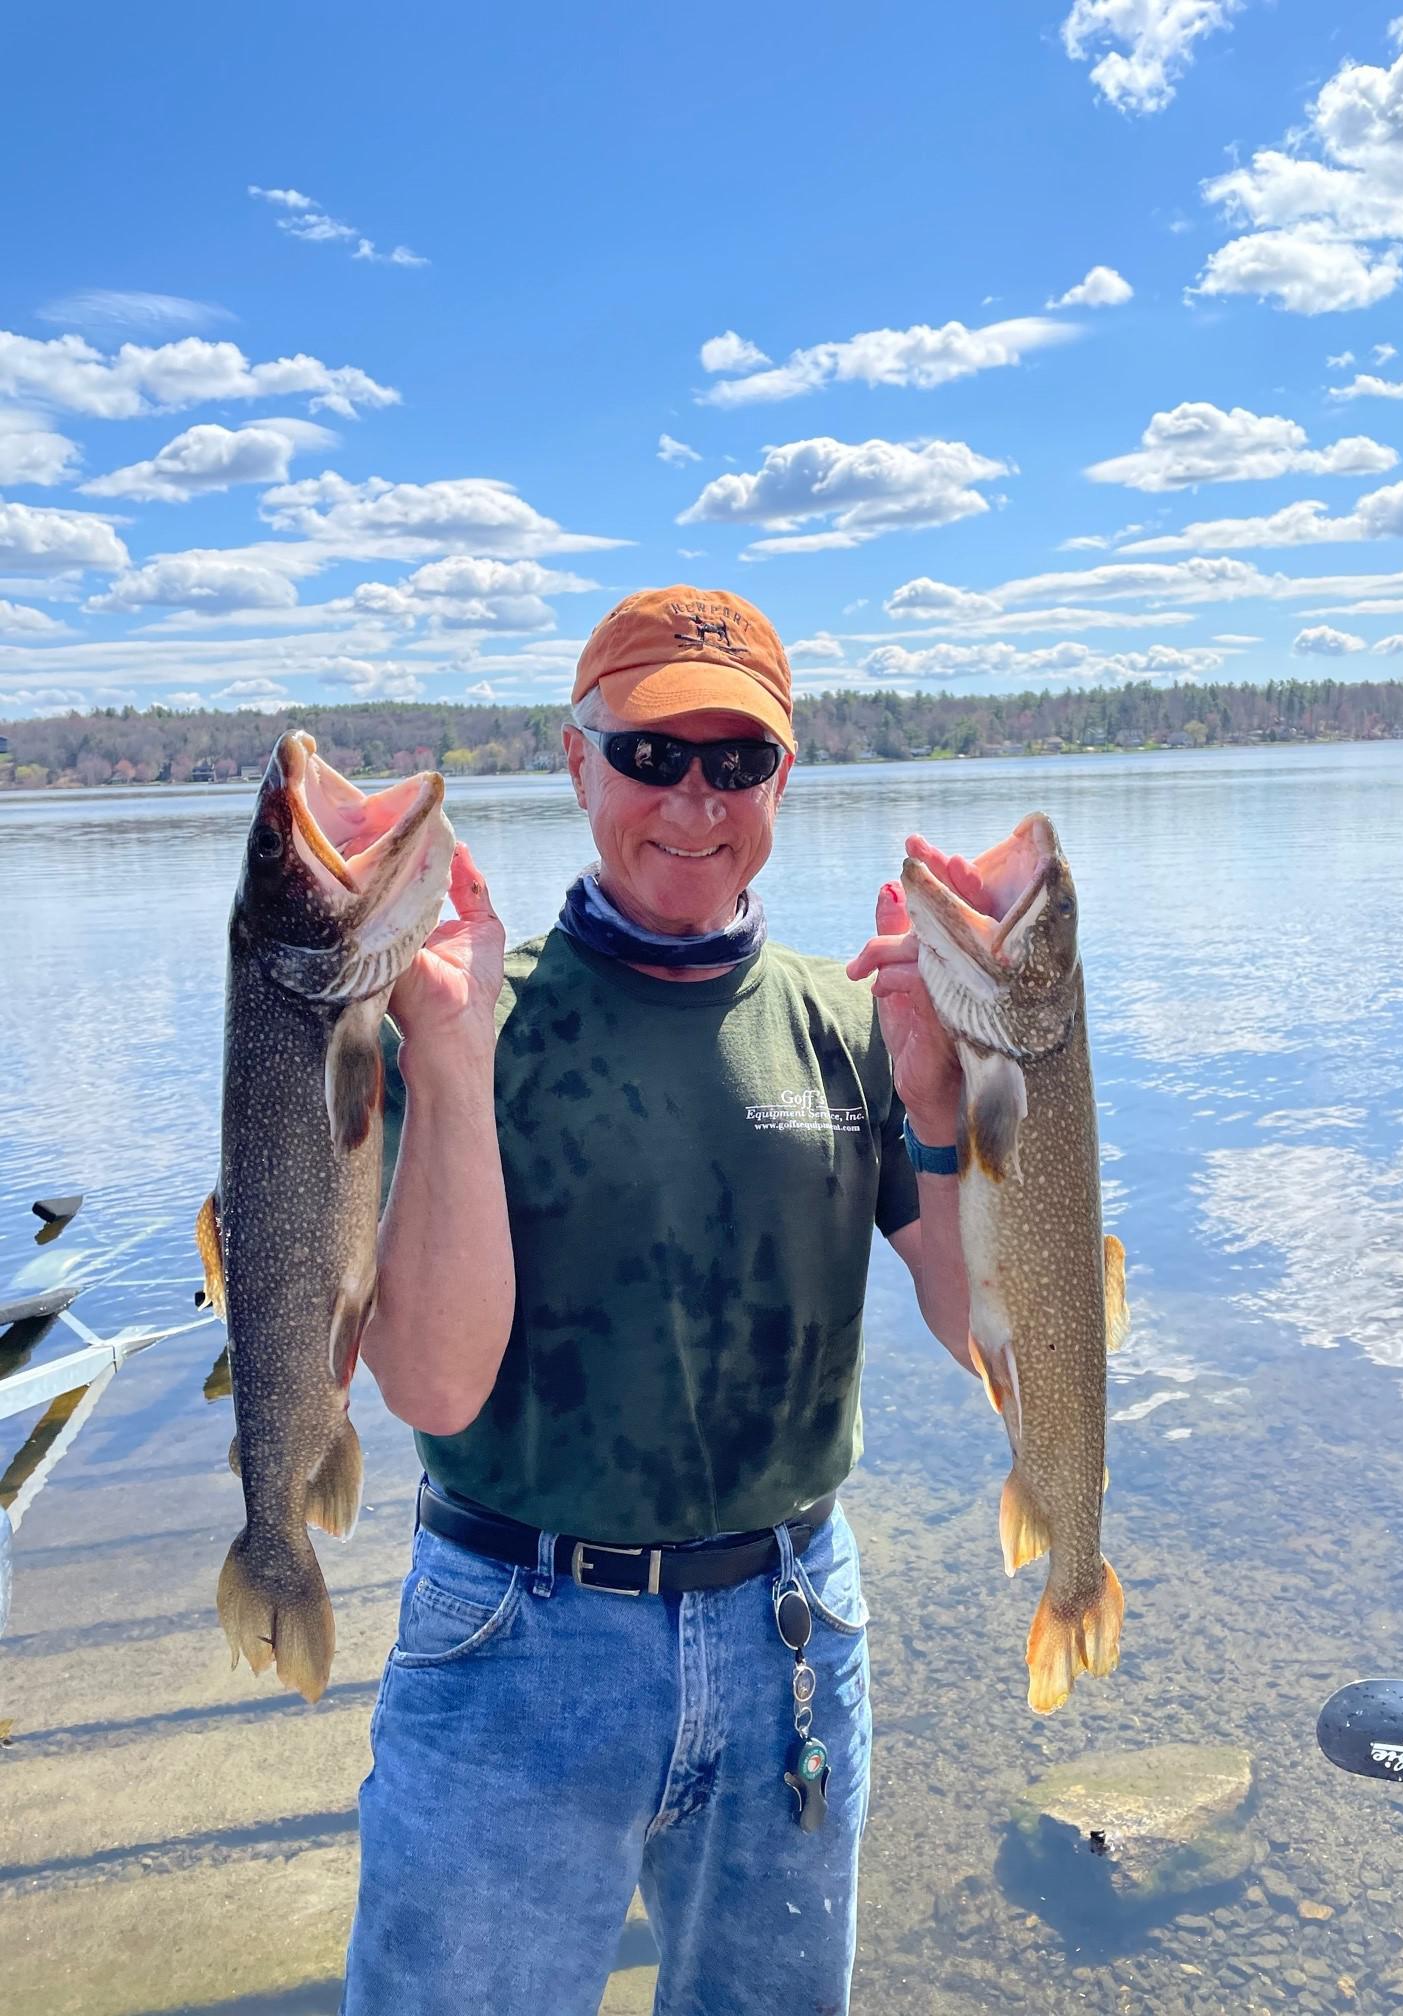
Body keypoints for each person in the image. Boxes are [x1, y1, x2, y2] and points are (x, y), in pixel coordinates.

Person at [342, 585, 974, 2015]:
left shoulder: (849, 1020)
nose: (695, 799)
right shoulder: (458, 1013)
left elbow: (979, 1328)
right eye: (650, 755)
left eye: (736, 761)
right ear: (577, 762)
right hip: (516, 1636)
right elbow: (431, 1387)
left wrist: (941, 1106)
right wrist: (449, 1063)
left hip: (792, 1630)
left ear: (781, 781)